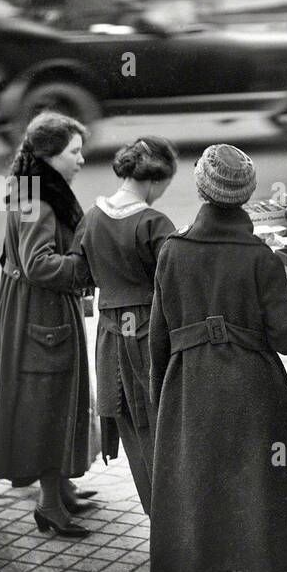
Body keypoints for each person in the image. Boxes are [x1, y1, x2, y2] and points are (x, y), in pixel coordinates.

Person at [148, 144, 287, 572]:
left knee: (209, 493)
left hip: (191, 389)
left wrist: (162, 396)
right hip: (254, 390)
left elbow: (157, 337)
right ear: (245, 198)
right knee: (264, 489)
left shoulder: (172, 252)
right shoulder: (260, 259)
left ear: (202, 190)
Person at [0, 111, 96, 538]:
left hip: (37, 311)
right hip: (41, 314)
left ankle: (60, 487)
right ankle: (49, 506)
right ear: (49, 156)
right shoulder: (40, 200)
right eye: (74, 152)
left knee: (55, 398)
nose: (82, 159)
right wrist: (87, 267)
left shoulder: (36, 188)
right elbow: (37, 264)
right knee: (48, 402)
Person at [76, 136, 178, 514]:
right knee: (162, 418)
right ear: (155, 178)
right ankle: (175, 514)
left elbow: (82, 272)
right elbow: (174, 281)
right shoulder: (153, 222)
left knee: (131, 423)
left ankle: (156, 510)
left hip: (109, 334)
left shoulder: (91, 216)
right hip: (149, 329)